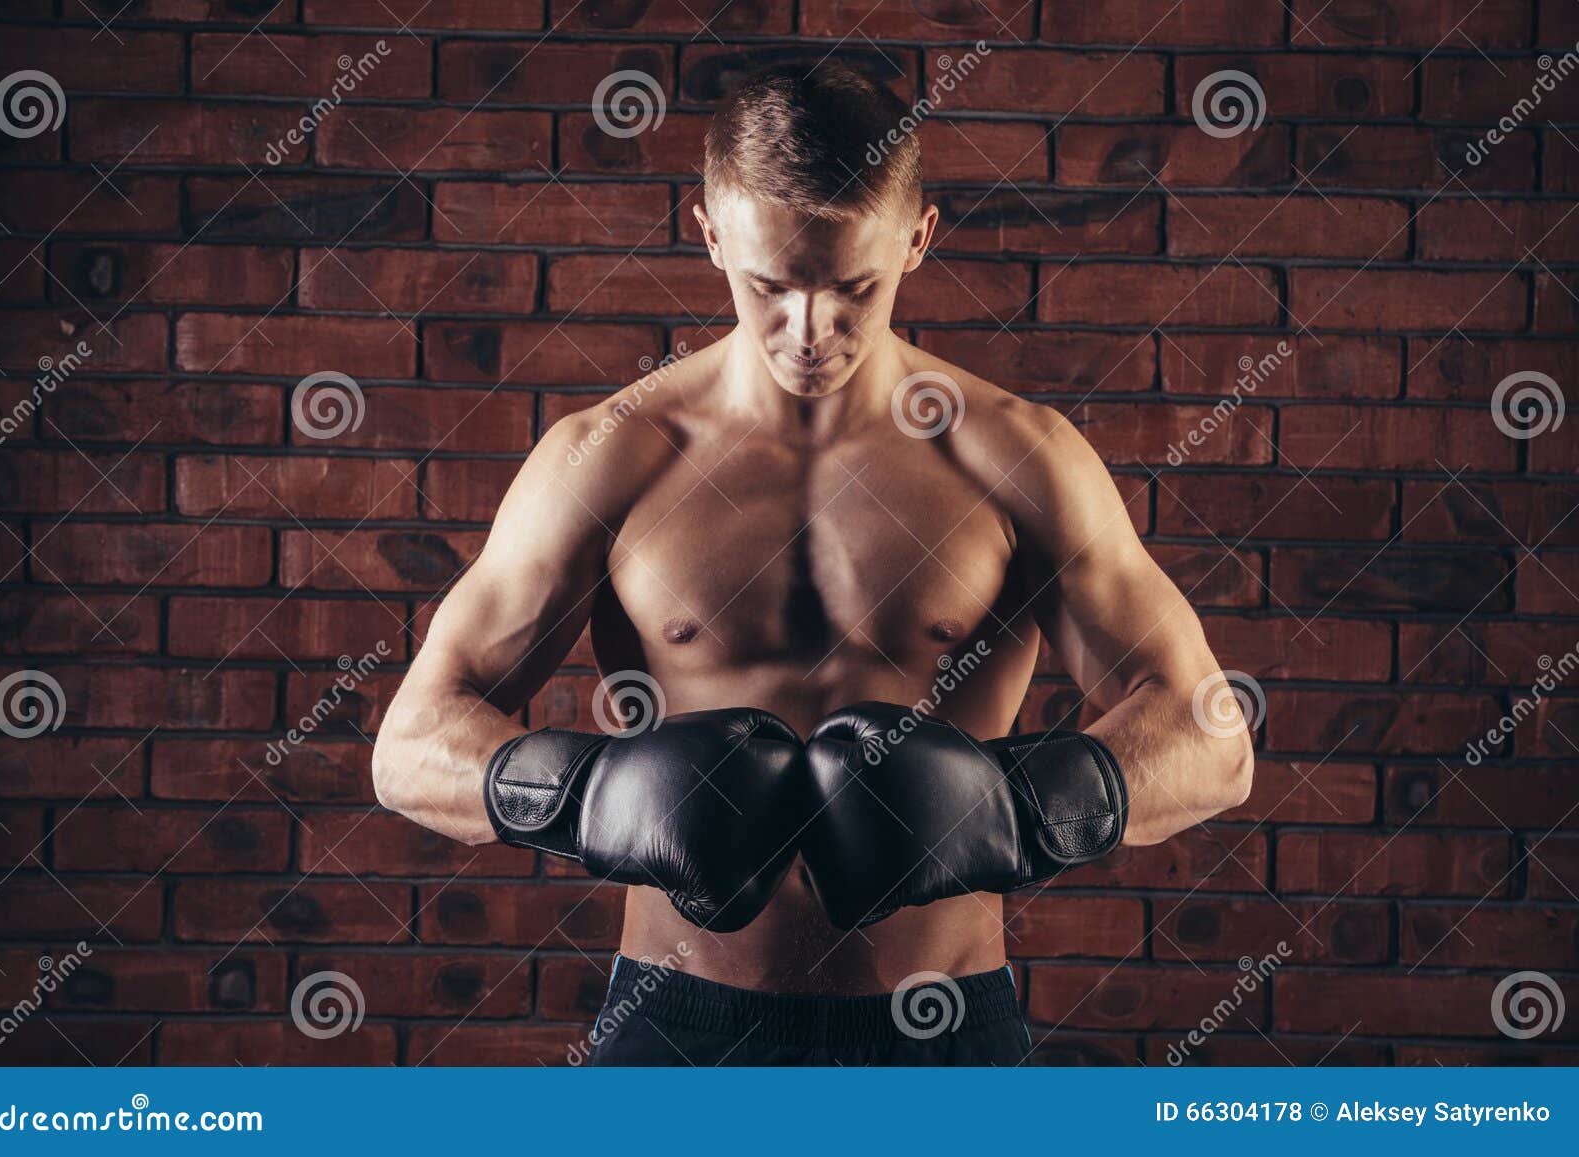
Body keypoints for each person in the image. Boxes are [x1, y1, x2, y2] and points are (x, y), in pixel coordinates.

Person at [372, 61, 1253, 1066]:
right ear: (708, 232)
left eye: (853, 287)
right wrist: (586, 794)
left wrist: (1011, 809)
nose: (809, 328)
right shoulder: (612, 454)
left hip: (940, 1032)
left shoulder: (1017, 456)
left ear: (918, 237)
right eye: (769, 285)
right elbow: (409, 744)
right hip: (677, 1030)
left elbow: (1211, 738)